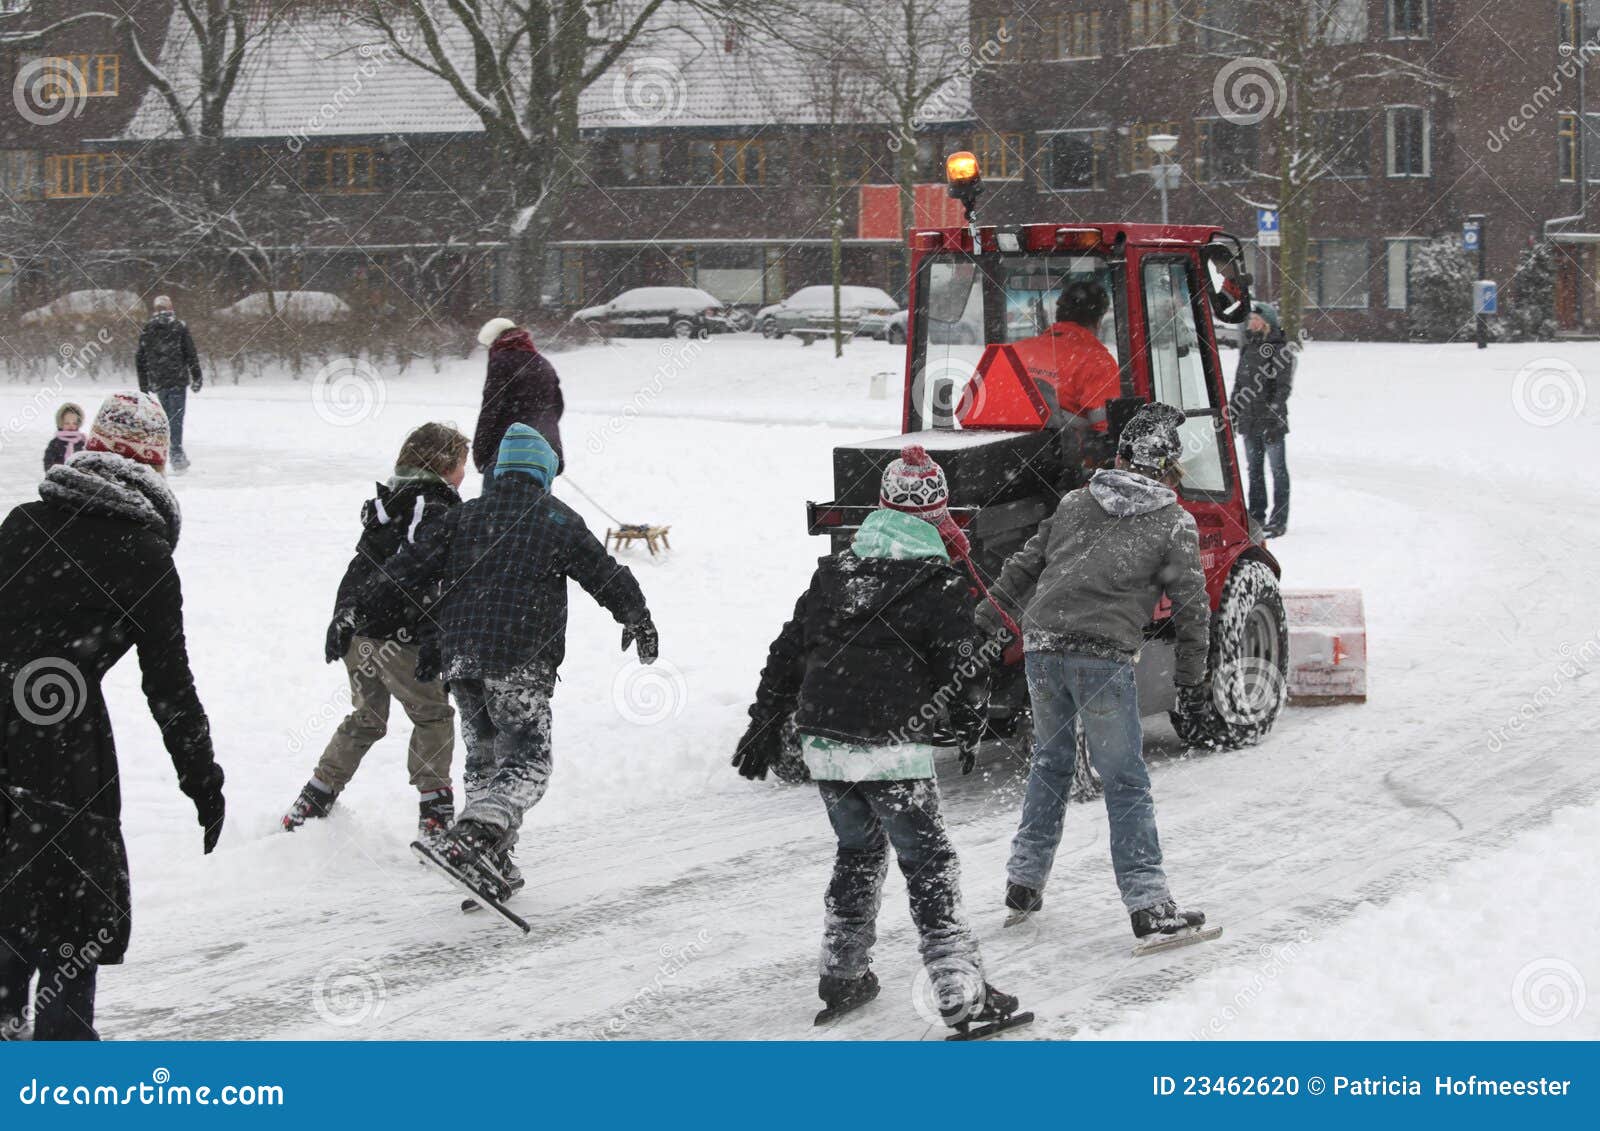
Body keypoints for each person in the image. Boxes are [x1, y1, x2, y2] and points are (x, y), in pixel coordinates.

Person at [734, 445, 1022, 1033]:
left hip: (825, 745)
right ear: (939, 514)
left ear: (881, 506)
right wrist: (971, 708)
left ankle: (842, 974)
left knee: (858, 853)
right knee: (929, 865)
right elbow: (962, 668)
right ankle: (960, 997)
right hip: (890, 746)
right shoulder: (940, 582)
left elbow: (787, 652)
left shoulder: (835, 573)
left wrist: (765, 722)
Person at [0, 392, 225, 1041]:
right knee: (71, 898)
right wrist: (202, 778)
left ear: (93, 449)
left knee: (11, 880)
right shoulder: (145, 553)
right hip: (67, 741)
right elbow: (169, 685)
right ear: (151, 465)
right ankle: (64, 1055)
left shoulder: (20, 523)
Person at [361, 424, 655, 898]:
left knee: (483, 759)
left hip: (463, 662)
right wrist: (637, 615)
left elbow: (409, 570)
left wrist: (367, 609)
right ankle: (476, 836)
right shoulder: (555, 519)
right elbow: (604, 573)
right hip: (519, 658)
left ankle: (487, 856)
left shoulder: (466, 517)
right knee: (528, 761)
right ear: (543, 473)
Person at [978, 403, 1210, 947]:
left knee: (1050, 764)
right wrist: (1192, 677)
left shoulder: (1075, 503)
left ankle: (1024, 881)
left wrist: (986, 617)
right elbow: (1192, 604)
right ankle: (1149, 904)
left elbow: (1024, 566)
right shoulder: (1173, 521)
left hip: (1043, 648)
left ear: (1123, 455)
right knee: (1124, 779)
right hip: (1103, 658)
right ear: (1167, 463)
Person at [282, 423, 470, 841]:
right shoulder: (434, 506)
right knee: (433, 716)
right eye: (461, 464)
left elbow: (360, 567)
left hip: (361, 635)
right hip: (401, 637)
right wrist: (429, 632)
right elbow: (424, 573)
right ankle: (435, 816)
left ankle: (313, 801)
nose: (465, 473)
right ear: (442, 466)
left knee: (366, 719)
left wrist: (343, 615)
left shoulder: (388, 505)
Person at [1229, 305, 1294, 538]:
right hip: (1249, 420)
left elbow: (1282, 386)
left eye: (1254, 319)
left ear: (1265, 322)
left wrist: (1273, 416)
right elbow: (1239, 385)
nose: (1250, 323)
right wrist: (1232, 413)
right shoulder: (1248, 347)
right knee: (1254, 469)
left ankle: (1279, 519)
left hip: (1271, 421)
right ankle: (1256, 516)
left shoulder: (1279, 348)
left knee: (1277, 469)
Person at [471, 318, 564, 476]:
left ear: (495, 340)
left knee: (499, 499)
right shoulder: (542, 362)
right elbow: (558, 406)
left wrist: (480, 450)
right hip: (544, 452)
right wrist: (540, 430)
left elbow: (491, 409)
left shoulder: (500, 361)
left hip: (506, 453)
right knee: (537, 499)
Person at [135, 296, 203, 472]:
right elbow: (190, 353)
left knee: (165, 418)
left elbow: (140, 359)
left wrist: (143, 385)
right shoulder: (179, 327)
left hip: (159, 381)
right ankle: (176, 454)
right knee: (176, 418)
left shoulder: (148, 328)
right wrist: (197, 376)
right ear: (170, 307)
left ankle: (165, 453)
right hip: (177, 380)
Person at [42, 402, 86, 470]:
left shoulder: (82, 442)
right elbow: (48, 462)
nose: (71, 426)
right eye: (67, 423)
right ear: (61, 423)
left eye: (74, 423)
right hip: (58, 477)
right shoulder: (55, 443)